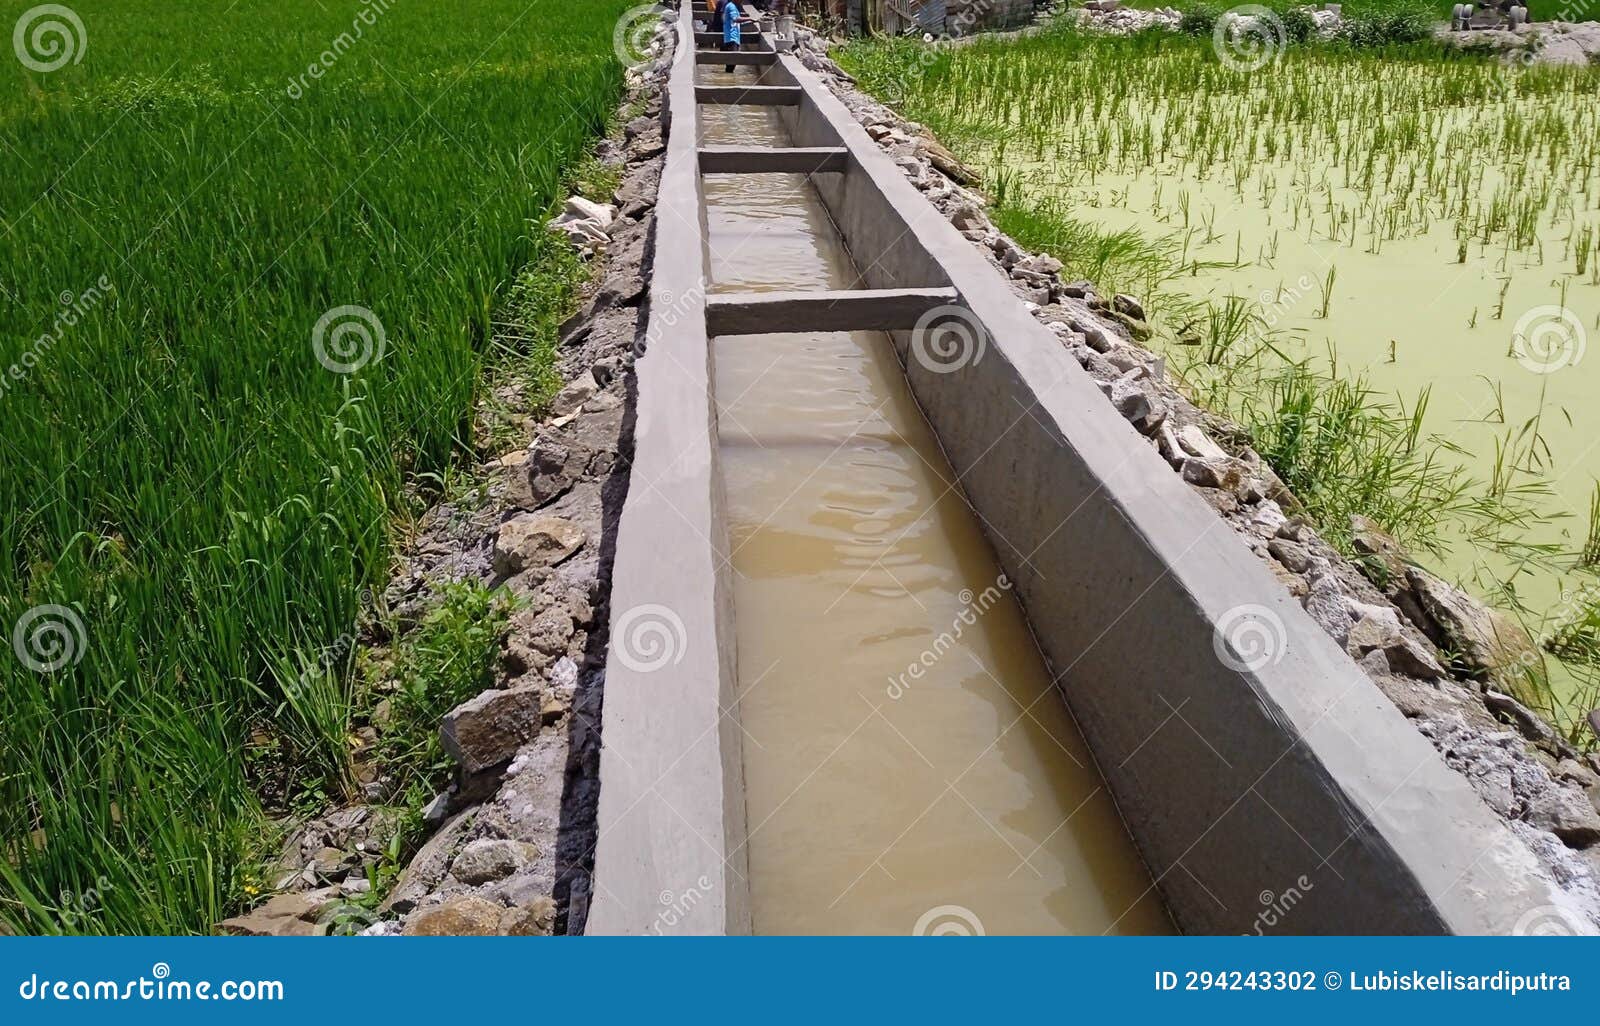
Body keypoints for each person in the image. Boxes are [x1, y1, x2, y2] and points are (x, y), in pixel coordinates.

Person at [717, 0, 751, 73]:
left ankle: (727, 79)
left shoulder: (732, 6)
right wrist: (750, 18)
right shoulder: (731, 6)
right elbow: (736, 19)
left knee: (731, 63)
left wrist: (751, 21)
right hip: (731, 38)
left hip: (732, 38)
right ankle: (728, 80)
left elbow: (734, 22)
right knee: (732, 63)